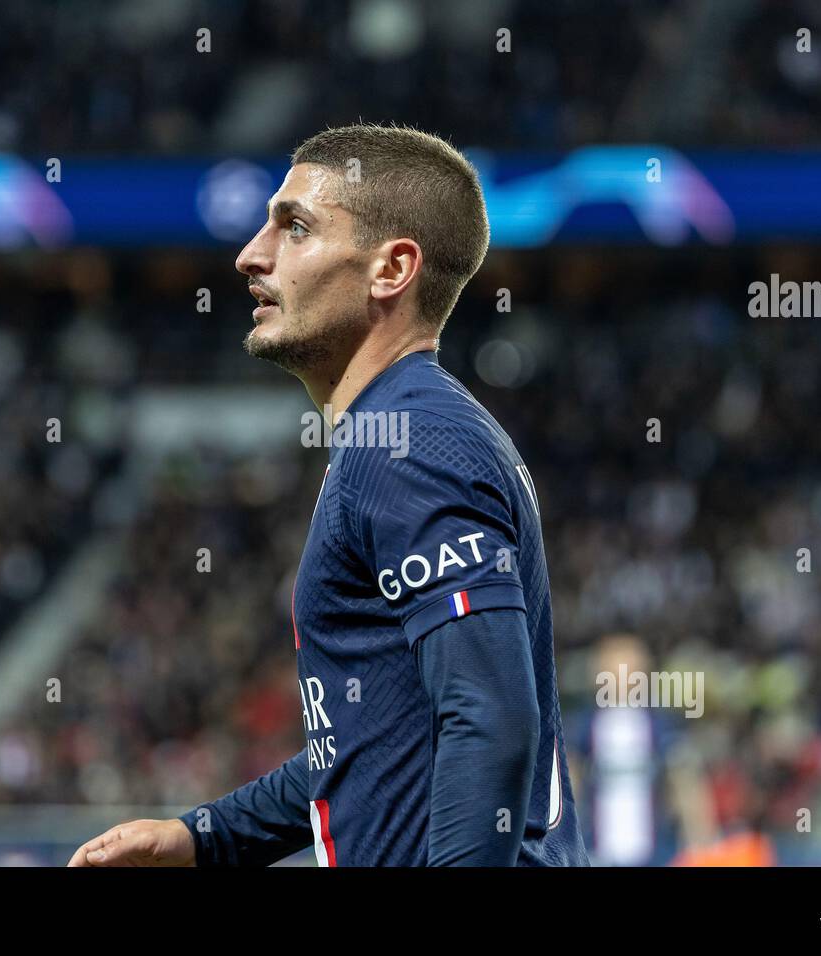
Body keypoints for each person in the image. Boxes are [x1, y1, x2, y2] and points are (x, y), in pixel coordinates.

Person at [69, 123, 589, 867]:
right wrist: (204, 836)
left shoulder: (412, 443)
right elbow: (369, 745)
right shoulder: (398, 434)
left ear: (391, 269)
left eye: (296, 227)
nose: (251, 254)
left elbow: (492, 717)